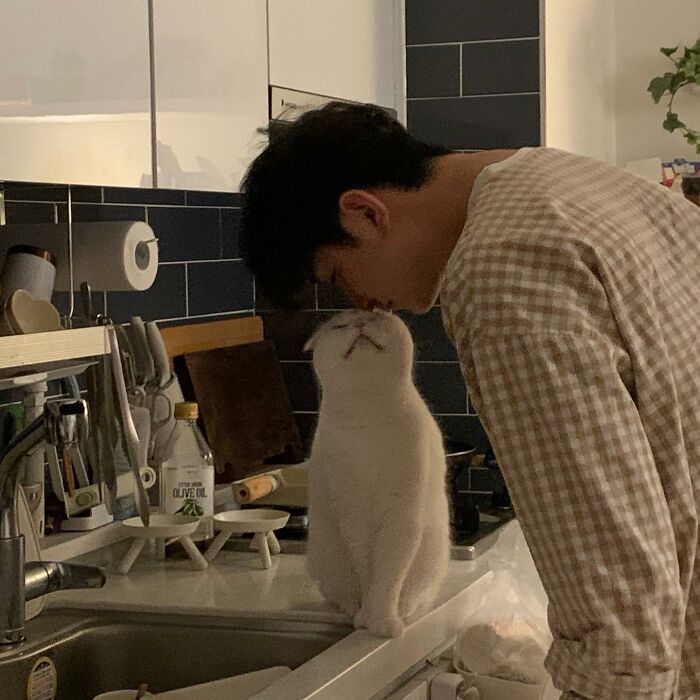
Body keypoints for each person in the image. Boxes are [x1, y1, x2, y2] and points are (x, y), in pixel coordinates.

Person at [240, 101, 700, 699]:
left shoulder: (498, 276)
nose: (362, 302)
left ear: (364, 213)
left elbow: (616, 602)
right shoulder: (572, 180)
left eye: (337, 276)